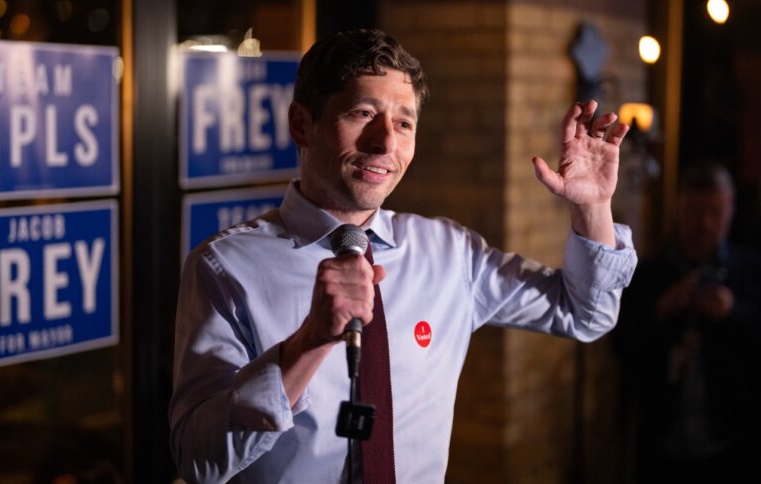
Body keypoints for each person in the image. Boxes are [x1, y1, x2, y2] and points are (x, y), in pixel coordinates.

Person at [169, 29, 637, 483]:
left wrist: (591, 208)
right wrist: (309, 342)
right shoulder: (224, 266)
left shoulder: (450, 254)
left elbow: (586, 314)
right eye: (361, 113)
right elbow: (200, 461)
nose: (386, 142)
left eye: (404, 123)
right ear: (301, 124)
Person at [615, 163, 761, 484]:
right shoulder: (648, 274)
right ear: (679, 208)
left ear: (731, 211)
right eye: (695, 211)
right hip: (661, 444)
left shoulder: (751, 271)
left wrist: (733, 314)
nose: (704, 223)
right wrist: (664, 307)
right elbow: (620, 344)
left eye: (715, 212)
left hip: (733, 444)